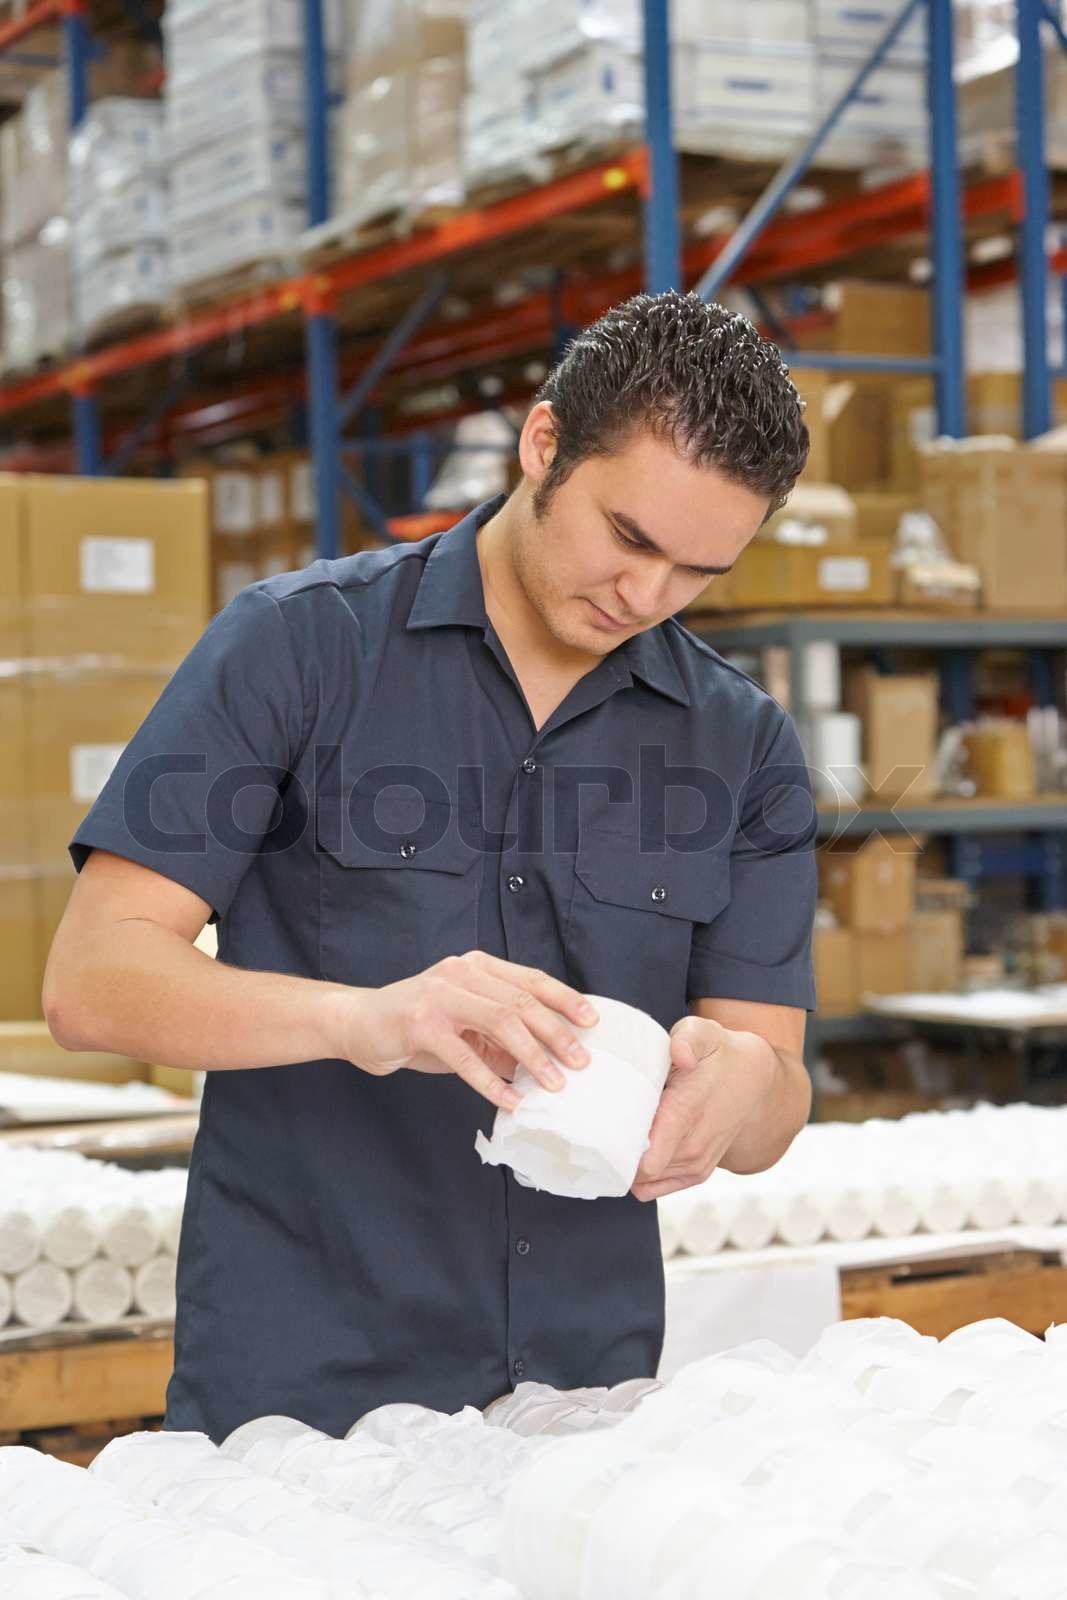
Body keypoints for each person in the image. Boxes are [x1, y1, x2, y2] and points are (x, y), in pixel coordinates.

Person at [43, 290, 817, 1445]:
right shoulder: (296, 647)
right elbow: (91, 982)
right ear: (543, 443)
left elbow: (776, 1096)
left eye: (697, 571)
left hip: (582, 1401)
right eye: (629, 538)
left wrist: (745, 1086)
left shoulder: (740, 744)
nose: (643, 597)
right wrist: (373, 1018)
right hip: (299, 1400)